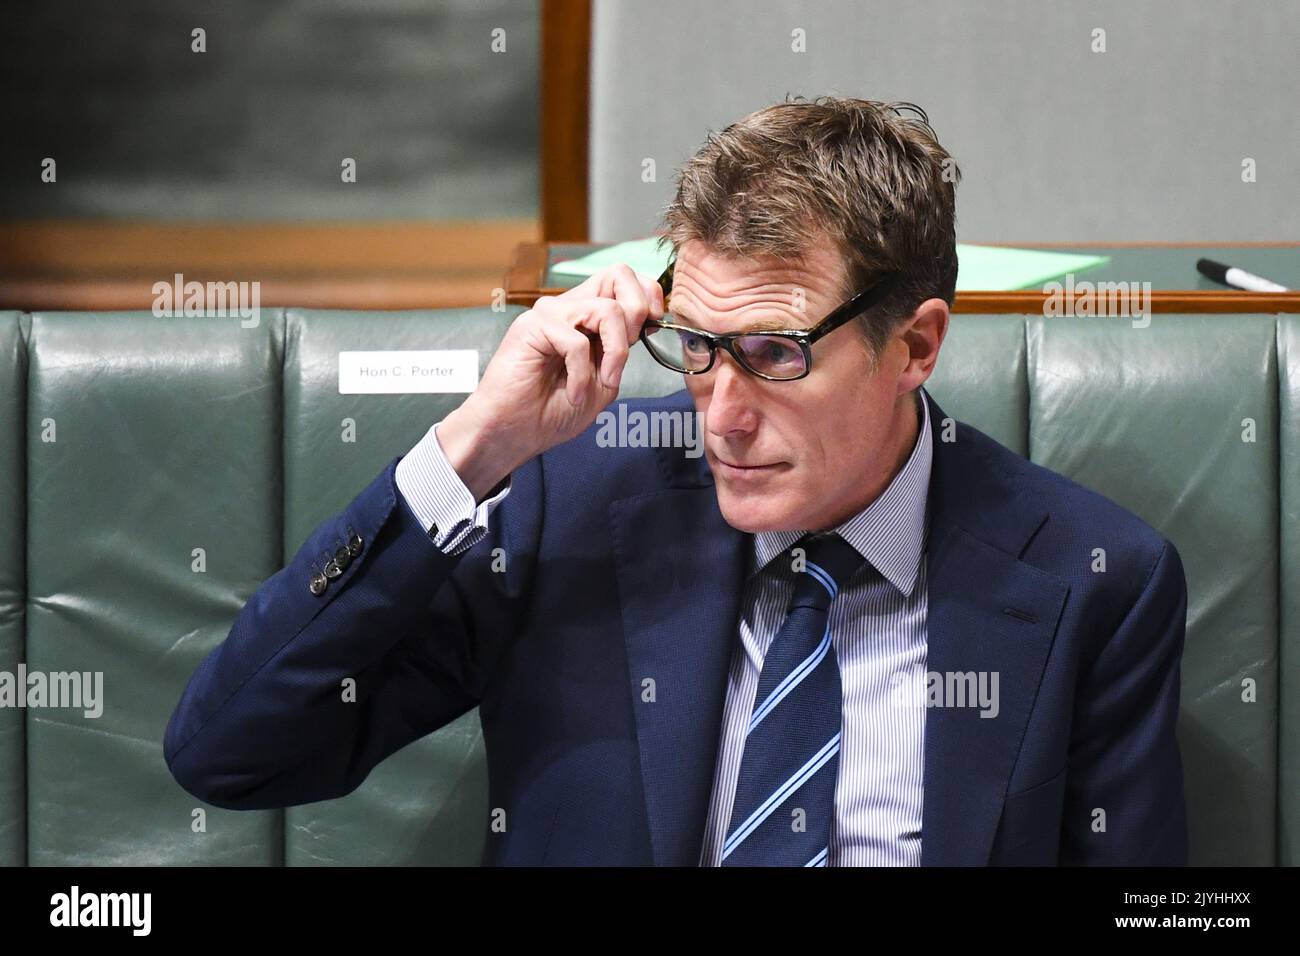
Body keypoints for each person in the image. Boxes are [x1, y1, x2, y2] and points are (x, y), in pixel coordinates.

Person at [164, 96, 1188, 866]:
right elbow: (231, 751)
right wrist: (474, 448)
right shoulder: (572, 503)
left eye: (775, 353)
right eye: (696, 348)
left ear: (914, 345)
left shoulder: (1092, 578)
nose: (723, 414)